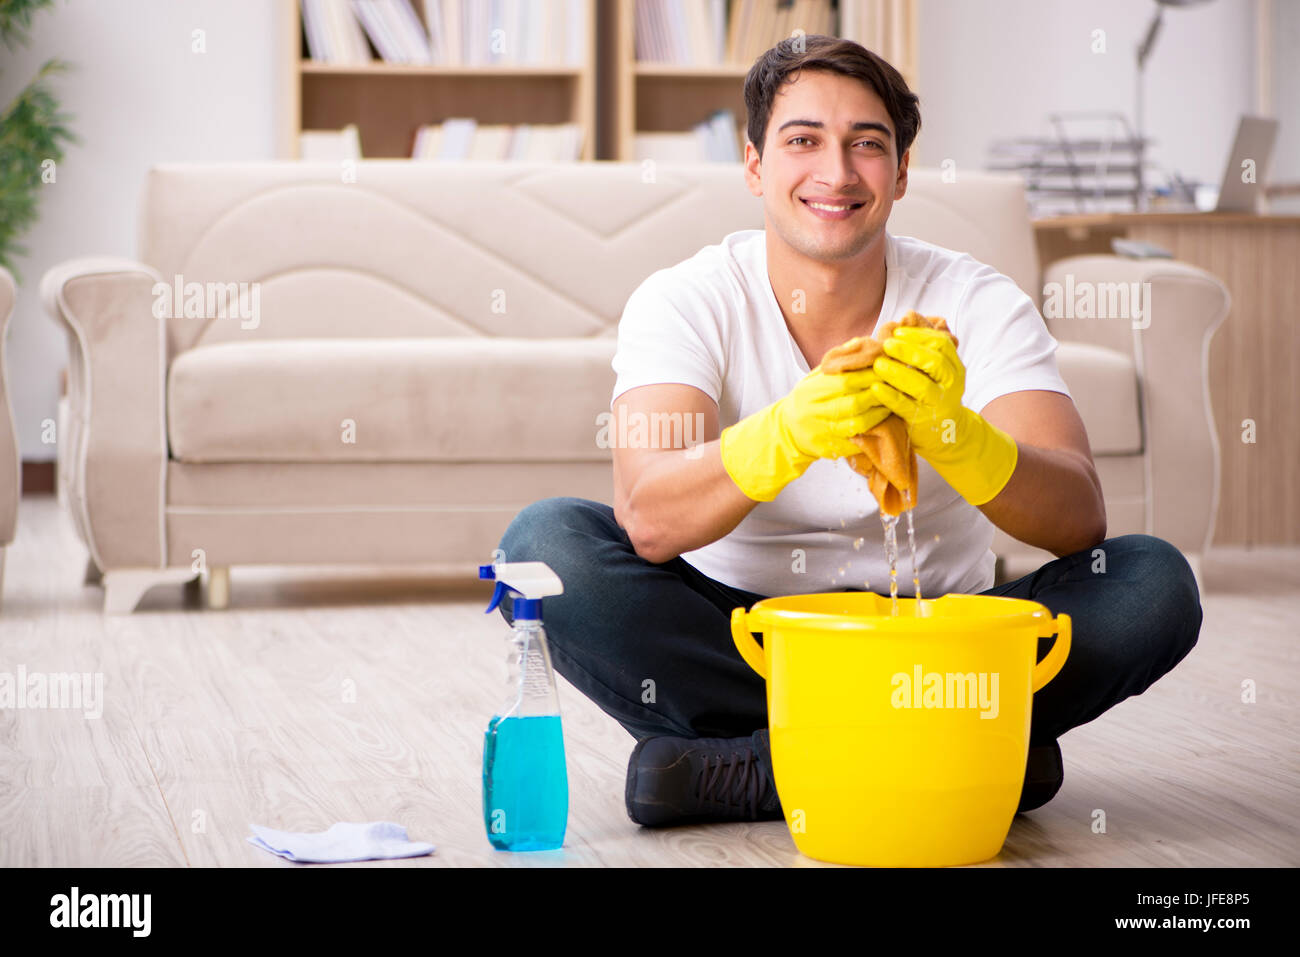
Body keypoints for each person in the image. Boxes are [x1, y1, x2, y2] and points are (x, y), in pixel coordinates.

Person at [494, 35, 1202, 828]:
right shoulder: (686, 299)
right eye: (803, 141)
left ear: (900, 172)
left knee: (1151, 582)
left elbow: (1079, 519)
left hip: (938, 647)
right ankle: (952, 752)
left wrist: (954, 432)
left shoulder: (977, 300)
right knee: (542, 543)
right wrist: (789, 432)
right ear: (756, 165)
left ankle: (756, 768)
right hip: (743, 642)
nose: (836, 173)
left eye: (867, 144)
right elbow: (650, 518)